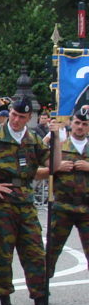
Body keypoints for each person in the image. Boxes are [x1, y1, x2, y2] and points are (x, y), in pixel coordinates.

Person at [0, 97, 68, 305]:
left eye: (22, 117)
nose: (16, 120)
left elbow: (54, 166)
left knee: (36, 256)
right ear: (9, 113)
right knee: (2, 257)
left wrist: (56, 138)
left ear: (29, 118)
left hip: (25, 205)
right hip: (1, 204)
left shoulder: (34, 139)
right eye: (14, 115)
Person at [48, 105, 89, 292]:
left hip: (86, 209)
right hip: (62, 208)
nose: (80, 127)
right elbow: (41, 168)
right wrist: (57, 166)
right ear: (71, 123)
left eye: (84, 124)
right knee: (50, 253)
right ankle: (42, 296)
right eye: (77, 123)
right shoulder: (59, 145)